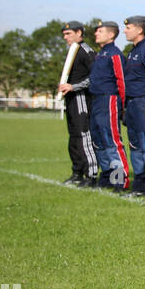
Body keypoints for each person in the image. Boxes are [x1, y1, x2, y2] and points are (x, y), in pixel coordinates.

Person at [88, 21, 131, 191]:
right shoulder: (100, 55)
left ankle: (119, 179)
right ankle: (106, 176)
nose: (96, 34)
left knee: (111, 141)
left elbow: (122, 81)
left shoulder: (115, 54)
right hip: (96, 100)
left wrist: (122, 104)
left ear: (111, 35)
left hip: (109, 100)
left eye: (100, 31)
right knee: (98, 141)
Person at [57, 20, 98, 186]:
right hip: (71, 100)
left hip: (82, 98)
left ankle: (91, 174)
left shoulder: (86, 51)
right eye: (64, 35)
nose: (65, 37)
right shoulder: (71, 51)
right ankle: (77, 172)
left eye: (68, 34)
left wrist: (73, 87)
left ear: (79, 33)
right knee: (73, 137)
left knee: (83, 136)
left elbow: (94, 77)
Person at [122, 15, 145, 200]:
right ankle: (140, 185)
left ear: (140, 30)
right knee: (135, 145)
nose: (125, 31)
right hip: (132, 103)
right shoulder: (131, 51)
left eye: (128, 27)